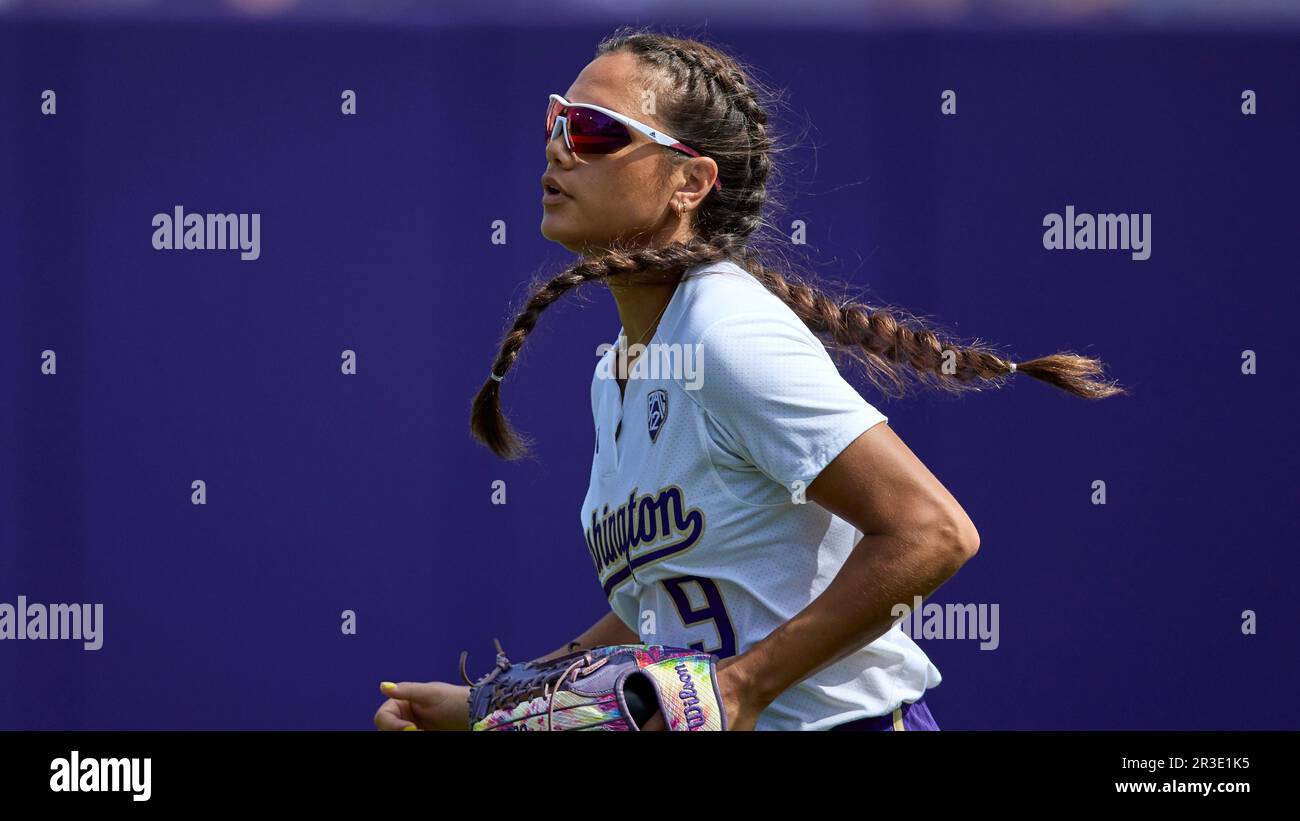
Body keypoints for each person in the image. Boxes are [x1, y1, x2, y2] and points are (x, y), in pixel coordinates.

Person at [375, 27, 1123, 732]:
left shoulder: (726, 333)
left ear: (690, 180)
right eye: (557, 122)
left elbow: (934, 532)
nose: (560, 149)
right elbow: (659, 609)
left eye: (597, 131)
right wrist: (491, 705)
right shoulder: (623, 368)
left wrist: (743, 685)